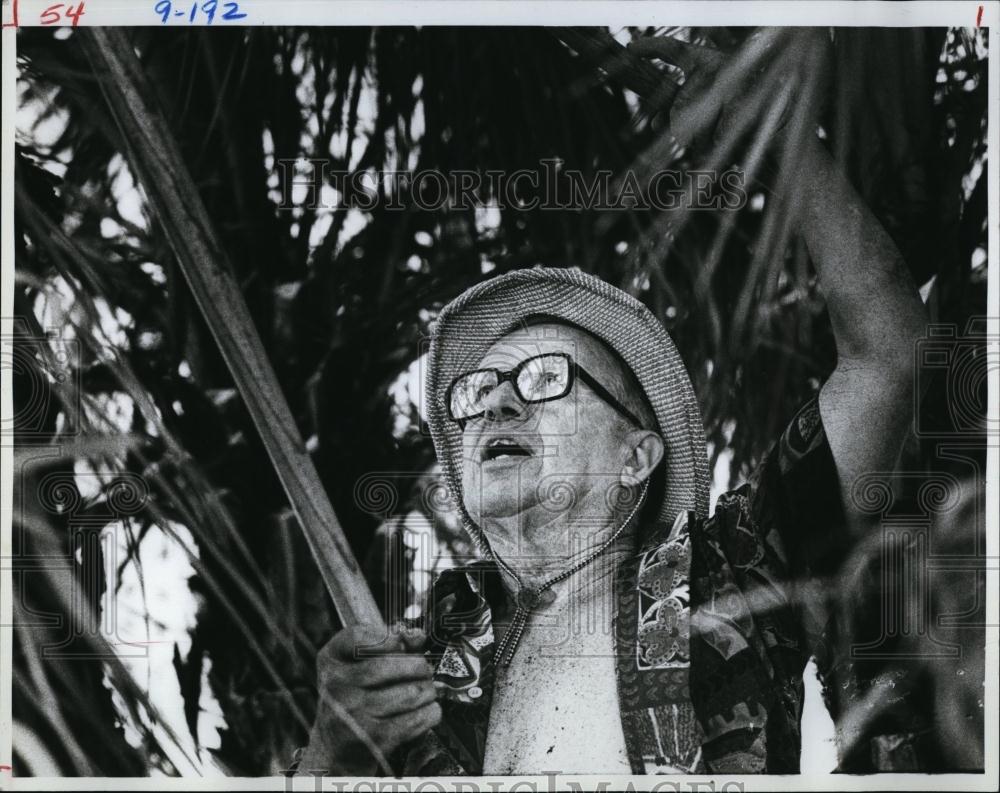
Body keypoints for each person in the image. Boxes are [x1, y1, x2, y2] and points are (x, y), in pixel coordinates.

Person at [295, 29, 927, 775]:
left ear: (637, 454)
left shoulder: (737, 564)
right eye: (479, 393)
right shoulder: (425, 664)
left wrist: (779, 130)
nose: (496, 405)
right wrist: (330, 750)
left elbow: (888, 347)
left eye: (543, 379)